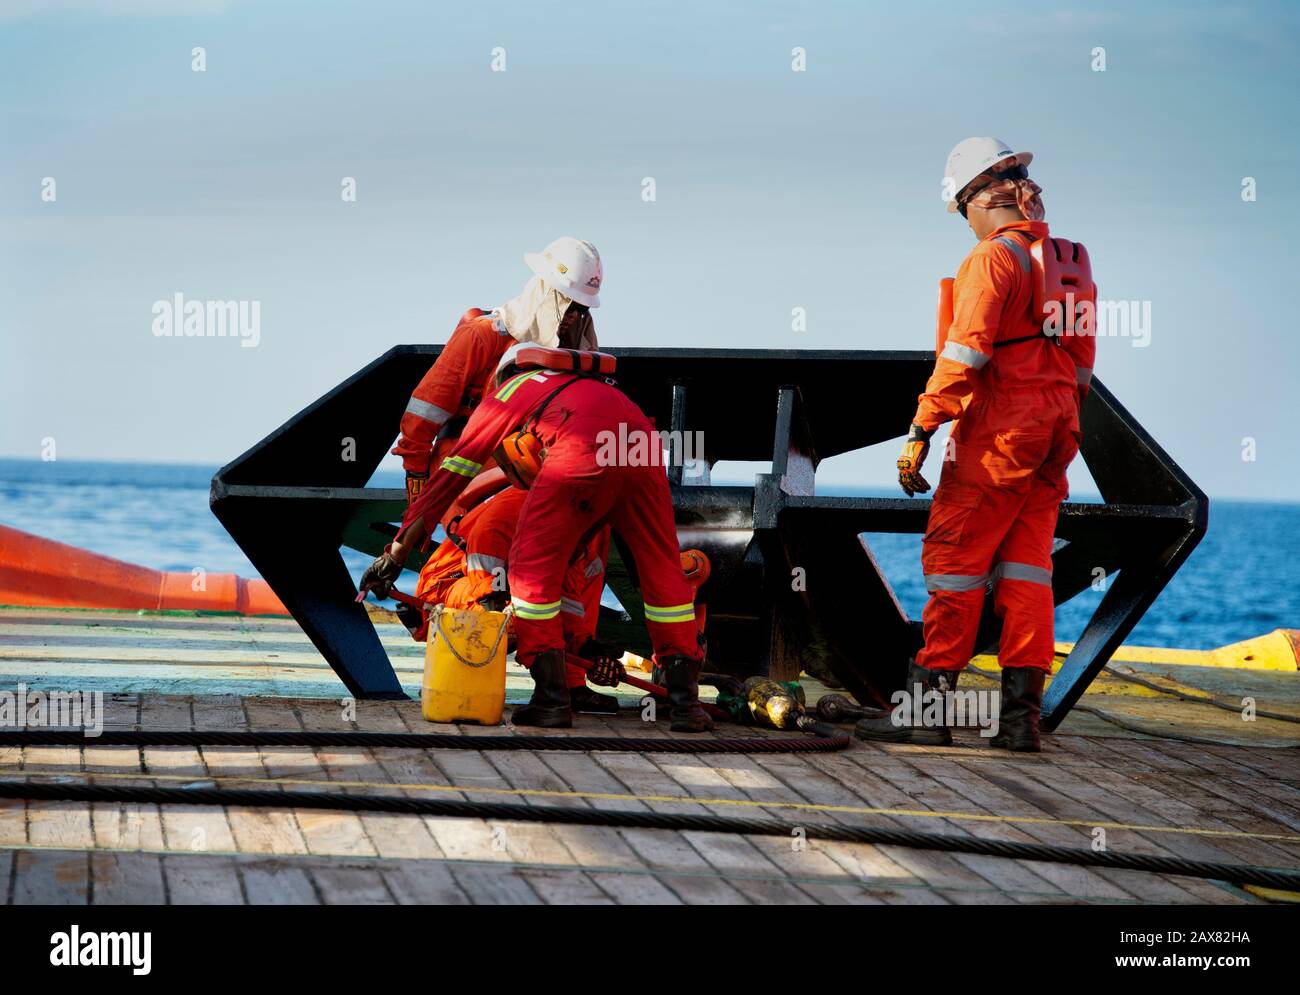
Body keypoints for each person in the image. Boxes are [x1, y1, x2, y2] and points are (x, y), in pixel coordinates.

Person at [856, 138, 1095, 753]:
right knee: (1027, 573)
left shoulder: (992, 261)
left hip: (999, 435)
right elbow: (1083, 365)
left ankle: (927, 713)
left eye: (964, 212)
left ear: (979, 200)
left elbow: (965, 353)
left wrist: (921, 430)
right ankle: (1019, 723)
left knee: (956, 564)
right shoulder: (1068, 260)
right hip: (1056, 431)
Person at [361, 344, 712, 733]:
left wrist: (395, 555)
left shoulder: (511, 391)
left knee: (531, 573)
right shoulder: (597, 389)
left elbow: (451, 475)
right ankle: (687, 706)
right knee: (662, 571)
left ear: (503, 376)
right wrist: (585, 649)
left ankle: (550, 701)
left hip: (581, 455)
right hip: (643, 452)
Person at [392, 237, 603, 506]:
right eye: (569, 306)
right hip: (466, 454)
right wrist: (416, 471)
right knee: (491, 529)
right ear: (546, 296)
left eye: (581, 308)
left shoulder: (569, 351)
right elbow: (426, 409)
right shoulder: (481, 336)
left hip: (529, 457)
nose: (574, 316)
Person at [406, 485, 623, 715]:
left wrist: (584, 648)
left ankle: (564, 688)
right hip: (450, 587)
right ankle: (456, 683)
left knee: (523, 613)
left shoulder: (575, 525)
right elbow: (489, 595)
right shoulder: (509, 513)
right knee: (504, 621)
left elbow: (566, 598)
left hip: (502, 590)